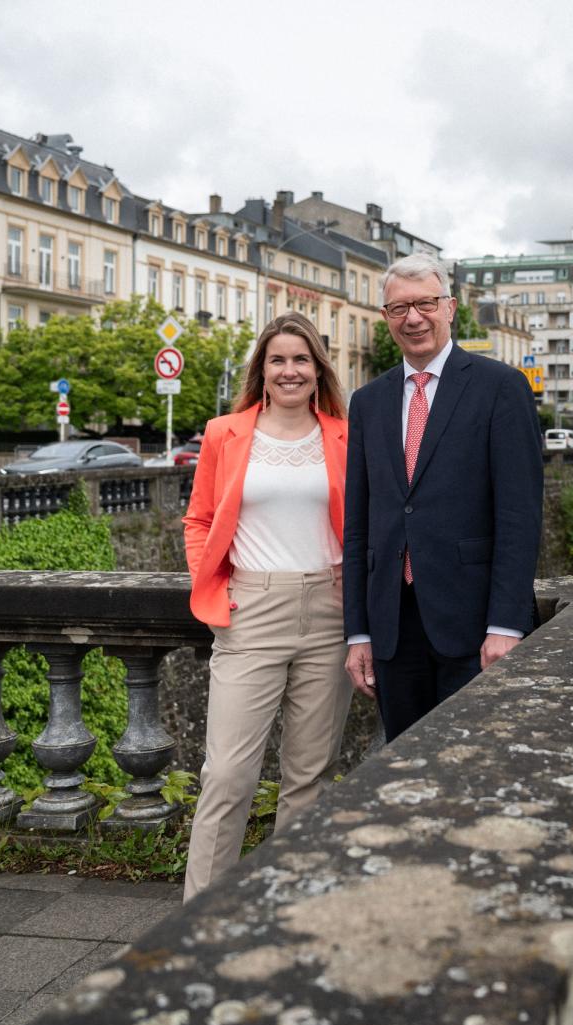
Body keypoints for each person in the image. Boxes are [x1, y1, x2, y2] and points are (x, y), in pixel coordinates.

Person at [181, 312, 352, 902]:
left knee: (308, 778)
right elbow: (199, 518)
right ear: (262, 368)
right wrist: (216, 584)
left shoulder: (344, 435)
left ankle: (286, 914)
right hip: (251, 608)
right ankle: (198, 922)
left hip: (330, 612)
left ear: (318, 369)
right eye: (278, 359)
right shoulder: (225, 432)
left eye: (301, 360)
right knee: (227, 775)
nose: (289, 370)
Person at [343, 254, 543, 742]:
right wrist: (360, 633)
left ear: (450, 308)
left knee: (476, 772)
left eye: (425, 304)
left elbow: (519, 515)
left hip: (474, 627)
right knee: (405, 771)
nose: (413, 318)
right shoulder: (368, 402)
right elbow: (359, 525)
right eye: (398, 308)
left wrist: (506, 625)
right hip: (393, 629)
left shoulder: (501, 388)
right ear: (386, 318)